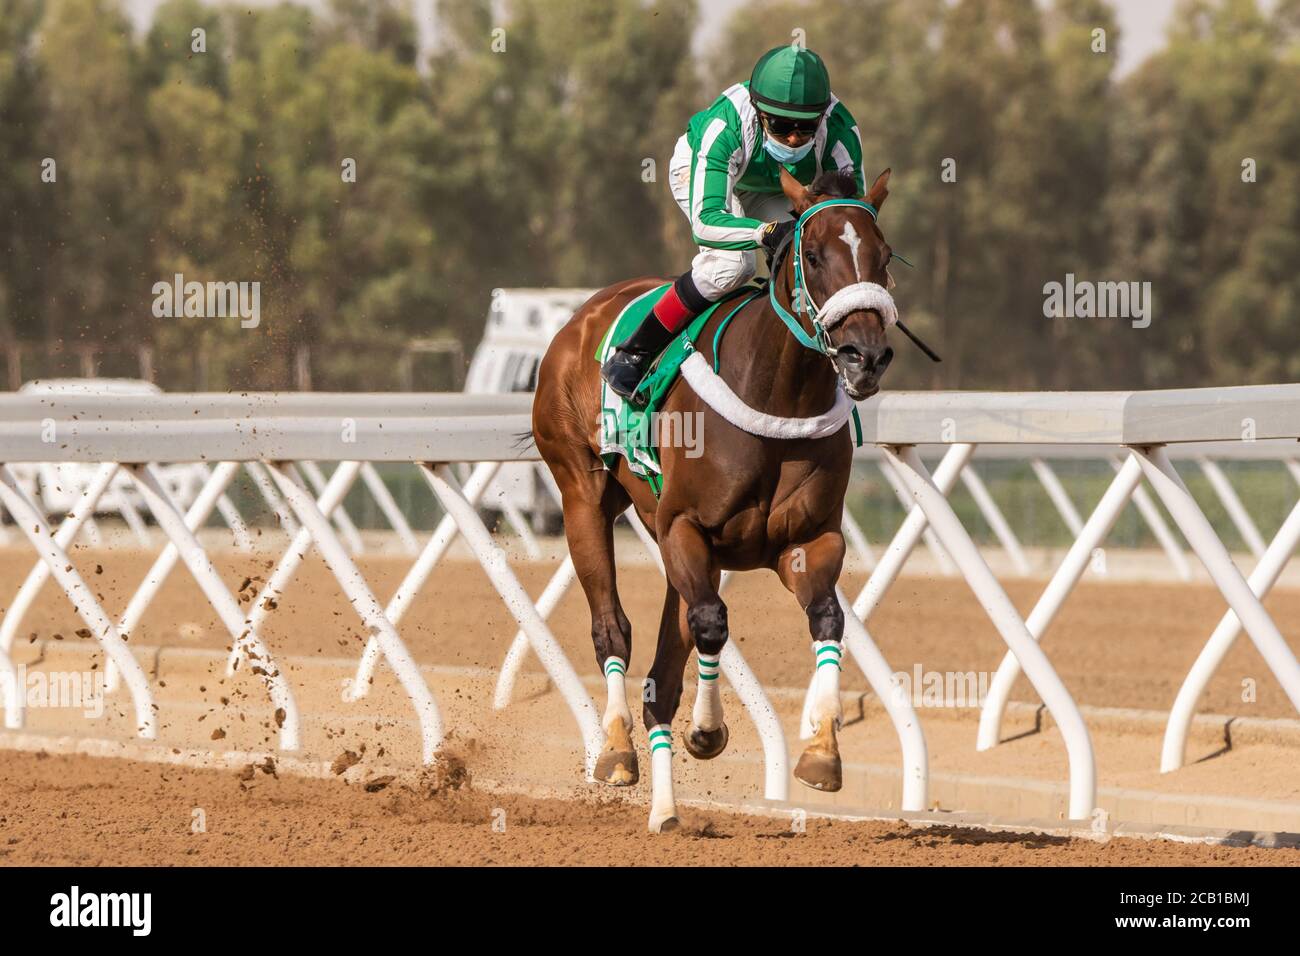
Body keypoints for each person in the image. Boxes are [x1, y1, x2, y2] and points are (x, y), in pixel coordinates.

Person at [600, 44, 867, 400]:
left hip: (772, 186)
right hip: (704, 176)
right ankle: (635, 352)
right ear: (758, 112)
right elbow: (707, 221)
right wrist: (765, 232)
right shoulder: (724, 125)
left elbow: (851, 223)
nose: (793, 137)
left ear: (823, 116)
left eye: (806, 127)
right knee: (731, 267)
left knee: (809, 258)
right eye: (782, 125)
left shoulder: (841, 133)